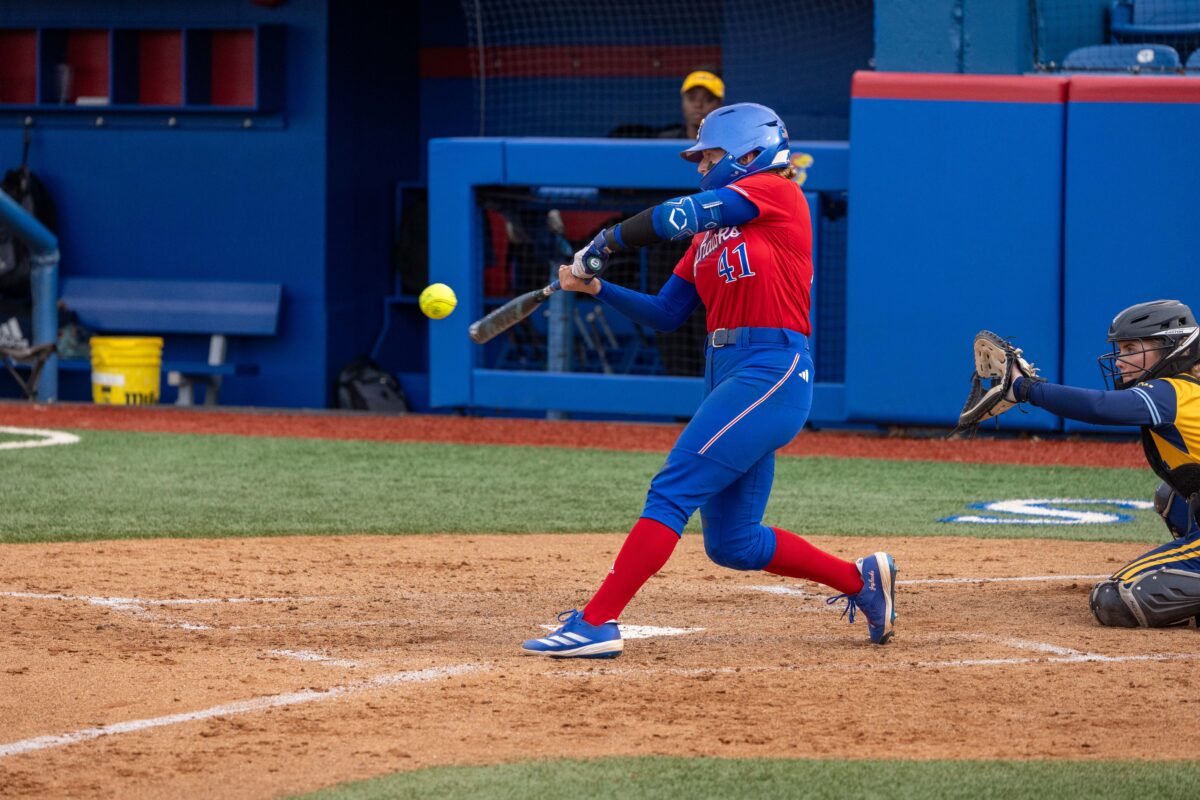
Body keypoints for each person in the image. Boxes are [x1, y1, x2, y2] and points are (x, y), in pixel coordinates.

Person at [521, 103, 898, 659]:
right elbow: (667, 312)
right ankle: (860, 581)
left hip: (772, 368)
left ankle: (597, 622)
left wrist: (604, 244)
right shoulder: (713, 236)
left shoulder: (778, 193)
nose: (701, 167)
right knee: (734, 544)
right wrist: (597, 288)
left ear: (749, 153)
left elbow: (677, 215)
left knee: (671, 490)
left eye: (711, 156)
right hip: (725, 370)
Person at [1003, 299, 1200, 628]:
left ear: (1172, 347)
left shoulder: (1173, 392)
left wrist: (1023, 388)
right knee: (1171, 498)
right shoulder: (1185, 390)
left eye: (1130, 348)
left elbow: (1099, 407)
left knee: (1115, 598)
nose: (1120, 361)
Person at [657, 69, 725, 141]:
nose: (698, 105)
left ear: (719, 104)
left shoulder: (730, 145)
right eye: (691, 98)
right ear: (683, 102)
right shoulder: (665, 141)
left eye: (708, 99)